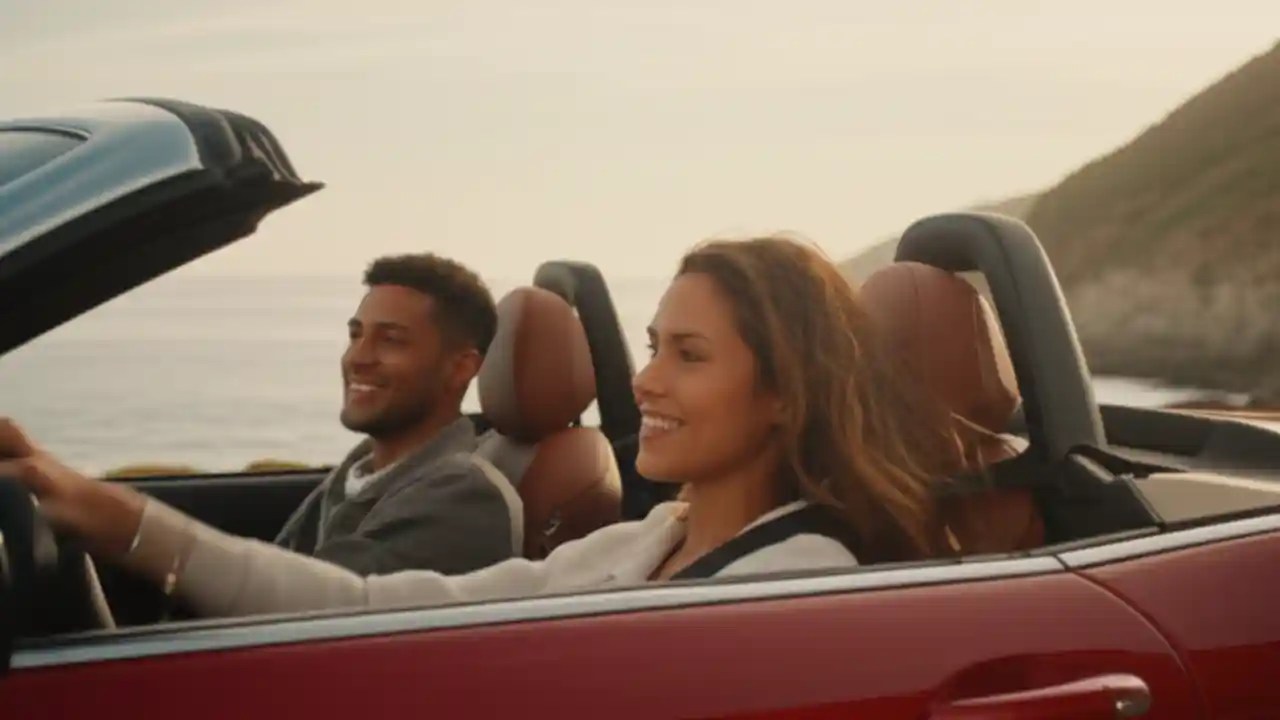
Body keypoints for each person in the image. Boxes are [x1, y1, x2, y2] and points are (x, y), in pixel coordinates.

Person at [0, 235, 958, 620]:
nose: (645, 378)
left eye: (691, 356)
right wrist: (112, 515)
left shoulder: (791, 587)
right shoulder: (644, 542)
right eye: (655, 344)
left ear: (787, 392)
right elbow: (380, 611)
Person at [272, 253, 520, 576]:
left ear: (460, 368)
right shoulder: (360, 469)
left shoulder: (464, 497)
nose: (357, 358)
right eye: (356, 335)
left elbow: (313, 600)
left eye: (391, 340)